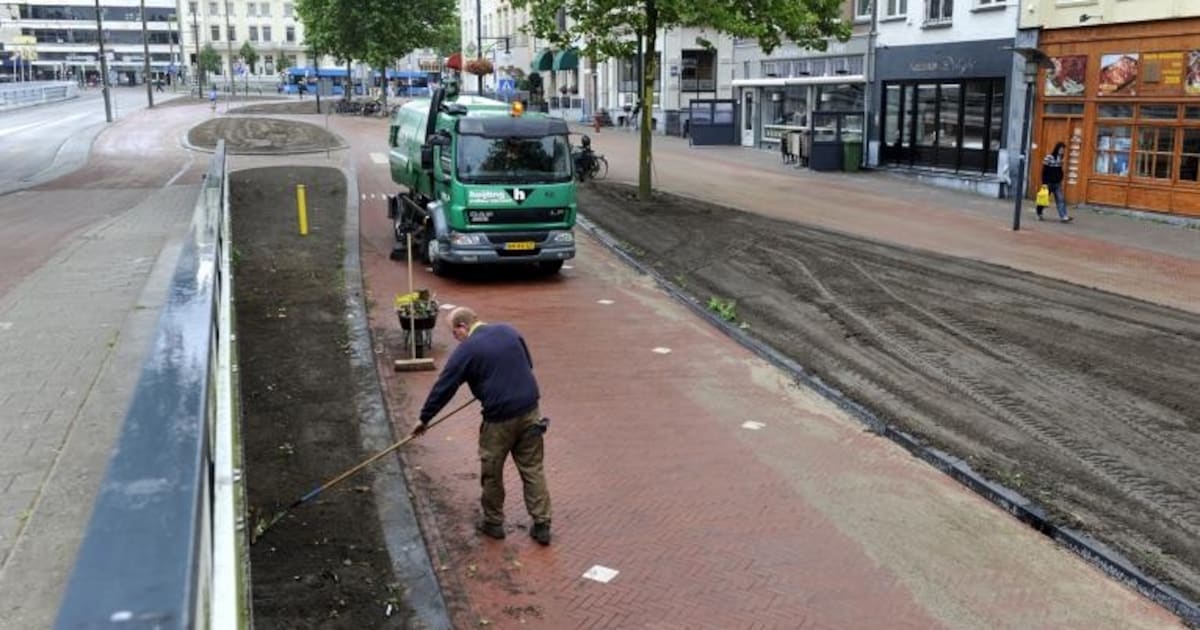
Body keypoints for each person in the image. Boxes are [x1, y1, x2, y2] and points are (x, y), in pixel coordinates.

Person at [410, 307, 553, 545]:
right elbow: (526, 364)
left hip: (499, 420)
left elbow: (444, 387)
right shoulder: (509, 331)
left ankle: (493, 523)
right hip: (530, 410)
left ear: (463, 327)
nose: (455, 338)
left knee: (492, 472)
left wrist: (424, 418)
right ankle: (542, 525)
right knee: (532, 469)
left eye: (454, 333)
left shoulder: (467, 350)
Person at [1040, 142, 1073, 223]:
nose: (1062, 151)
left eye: (1063, 150)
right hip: (1048, 182)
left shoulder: (1060, 159)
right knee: (1044, 199)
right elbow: (1044, 170)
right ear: (1057, 149)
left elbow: (1060, 170)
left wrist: (1060, 178)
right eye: (1061, 149)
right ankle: (1039, 212)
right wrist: (1044, 183)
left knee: (1060, 199)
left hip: (1057, 183)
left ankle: (1064, 216)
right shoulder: (1049, 157)